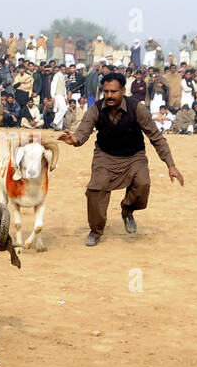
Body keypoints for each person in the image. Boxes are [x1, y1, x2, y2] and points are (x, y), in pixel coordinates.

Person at [58, 71, 185, 246]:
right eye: (106, 91)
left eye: (114, 92)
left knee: (143, 183)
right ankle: (96, 231)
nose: (109, 96)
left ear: (123, 90)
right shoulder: (96, 108)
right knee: (96, 189)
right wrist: (75, 139)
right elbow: (83, 130)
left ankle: (127, 210)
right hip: (105, 156)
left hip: (134, 157)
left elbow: (156, 137)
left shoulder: (137, 108)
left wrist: (171, 165)